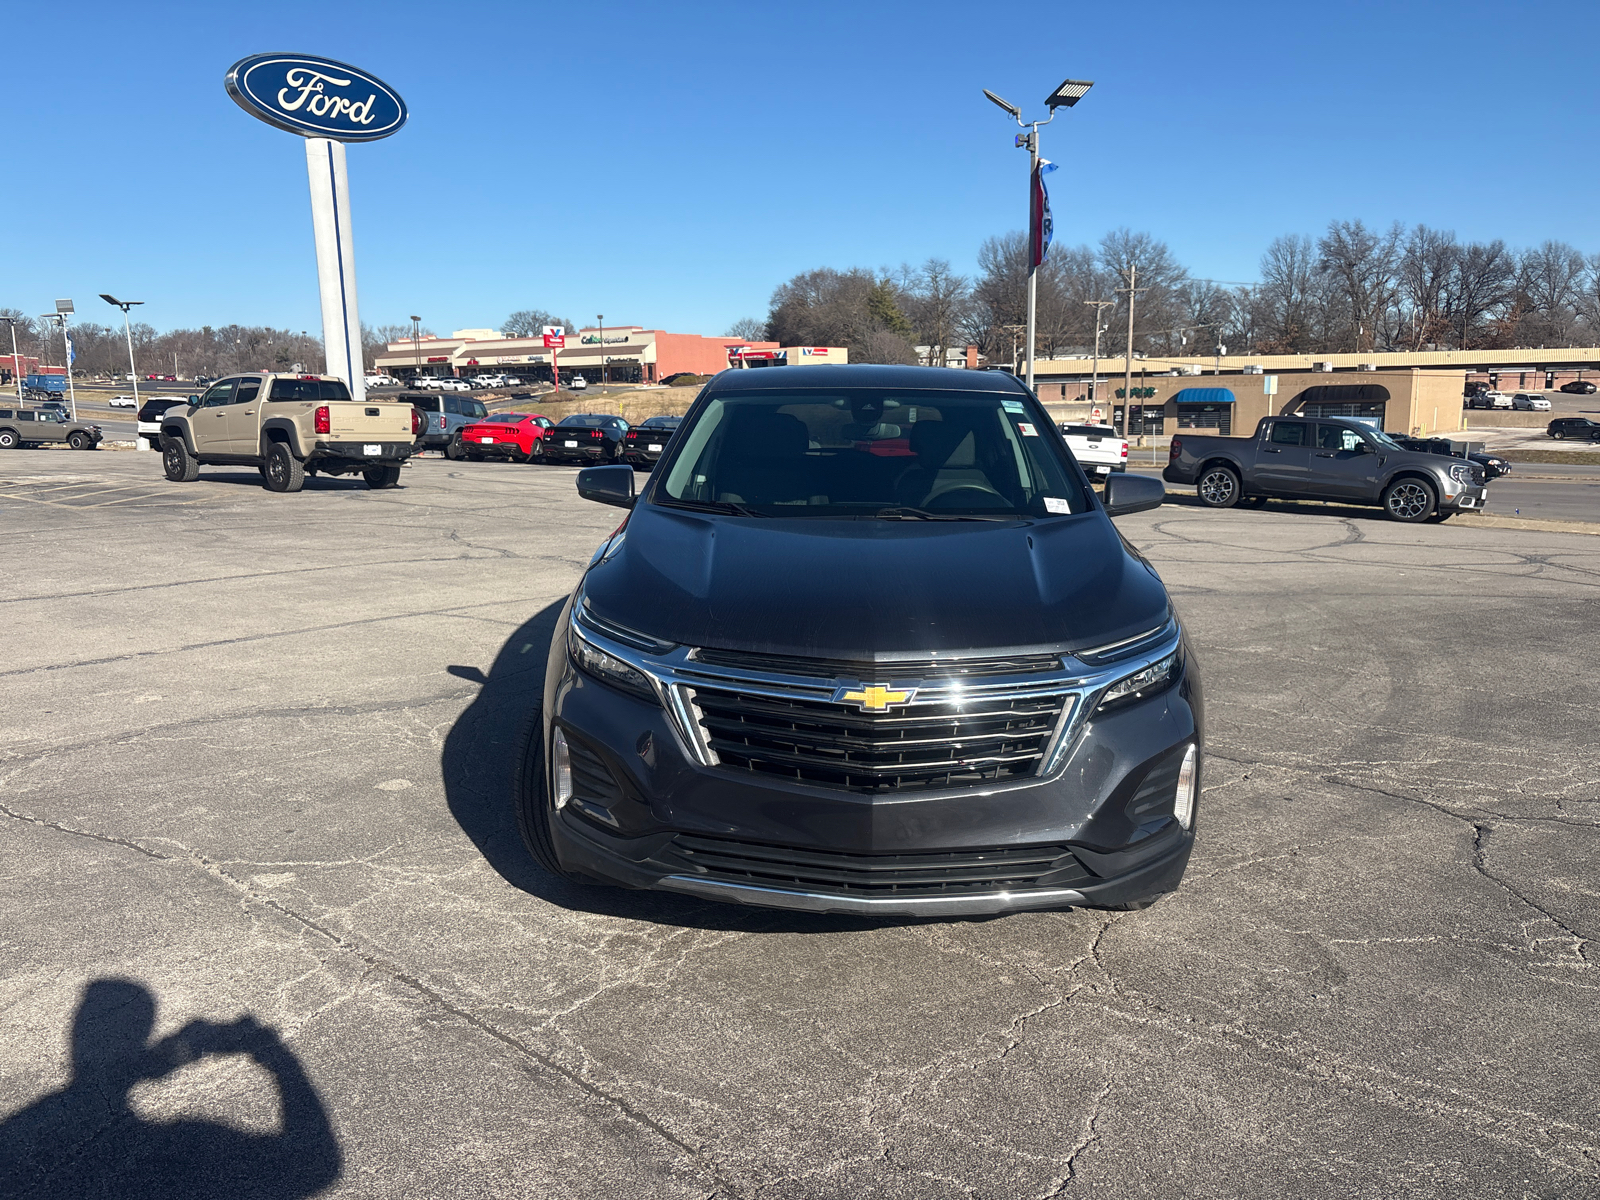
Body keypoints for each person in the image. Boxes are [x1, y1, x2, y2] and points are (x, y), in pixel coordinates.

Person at [0, 978, 341, 1199]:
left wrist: (148, 1068)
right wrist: (278, 1057)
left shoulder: (20, 1132)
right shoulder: (195, 1136)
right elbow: (319, 1165)